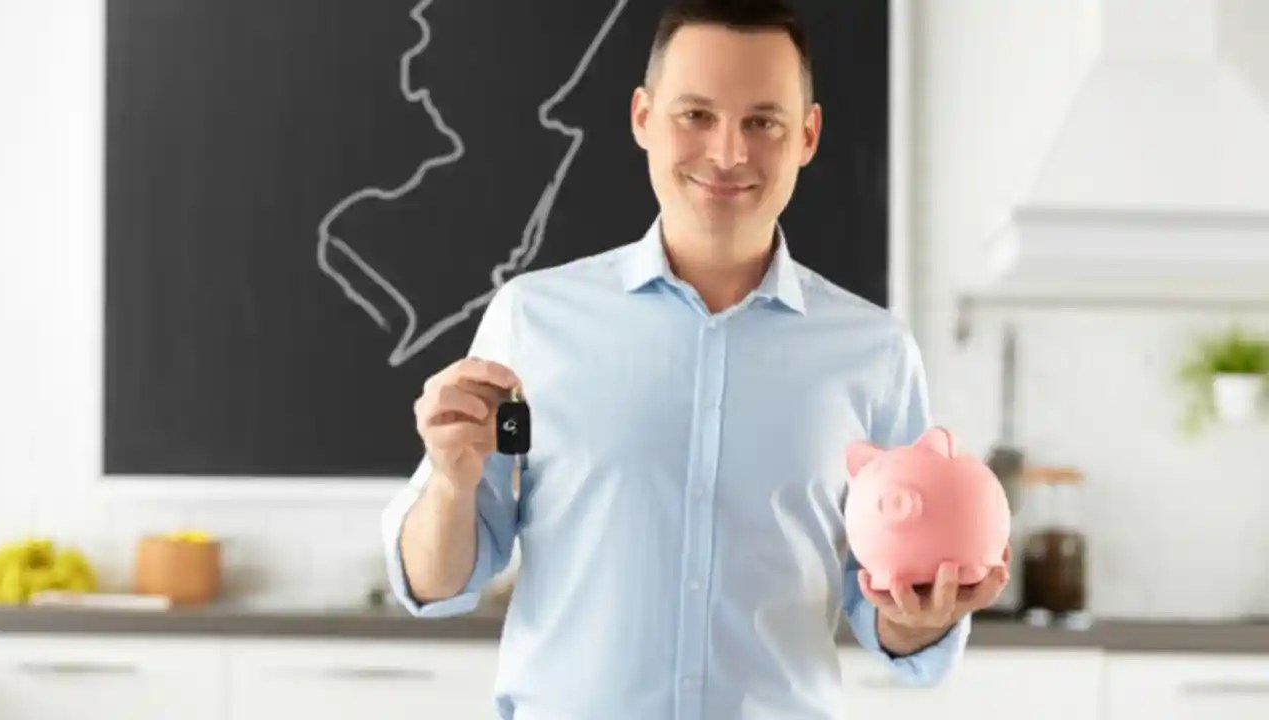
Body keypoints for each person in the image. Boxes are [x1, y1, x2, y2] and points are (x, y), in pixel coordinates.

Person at [381, 1, 1010, 717]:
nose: (728, 153)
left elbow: (885, 602)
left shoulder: (874, 355)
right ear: (643, 117)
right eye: (696, 116)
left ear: (807, 135)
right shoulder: (533, 323)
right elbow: (438, 583)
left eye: (762, 122)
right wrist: (453, 484)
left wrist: (920, 617)